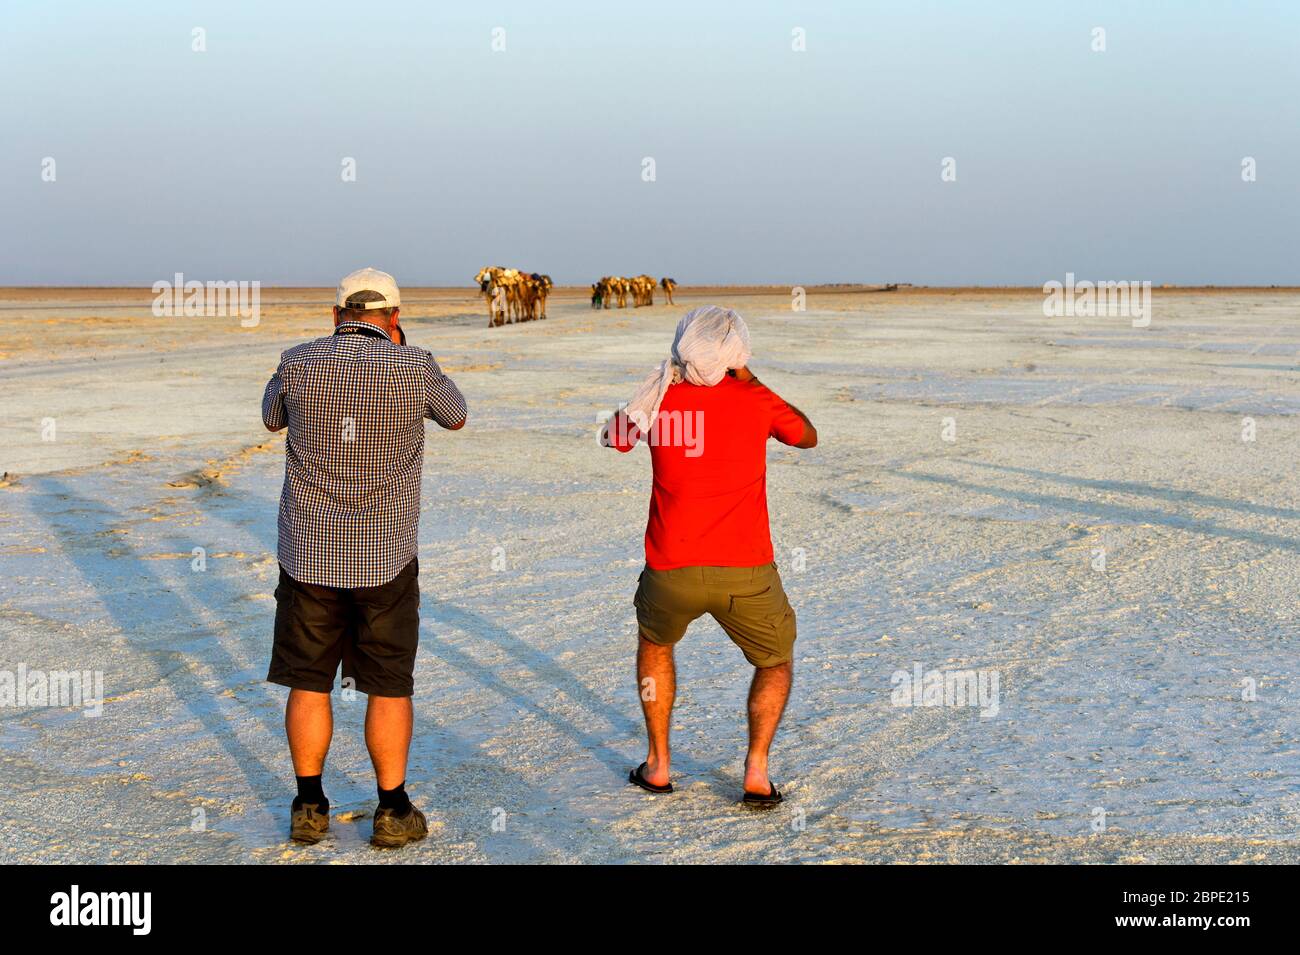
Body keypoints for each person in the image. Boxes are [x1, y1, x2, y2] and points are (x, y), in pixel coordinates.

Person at [261, 267, 467, 847]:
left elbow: (272, 415)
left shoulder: (299, 361)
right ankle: (393, 810)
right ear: (394, 319)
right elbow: (455, 412)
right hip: (387, 558)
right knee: (388, 685)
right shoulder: (414, 365)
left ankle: (308, 804)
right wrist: (404, 355)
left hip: (308, 554)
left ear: (336, 316)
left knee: (308, 682)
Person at [602, 306, 817, 806]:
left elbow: (615, 438)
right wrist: (754, 380)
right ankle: (757, 771)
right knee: (775, 661)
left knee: (656, 645)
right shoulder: (755, 399)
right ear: (737, 352)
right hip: (747, 570)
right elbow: (807, 436)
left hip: (670, 566)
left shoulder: (660, 399)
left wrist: (656, 383)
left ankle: (658, 764)